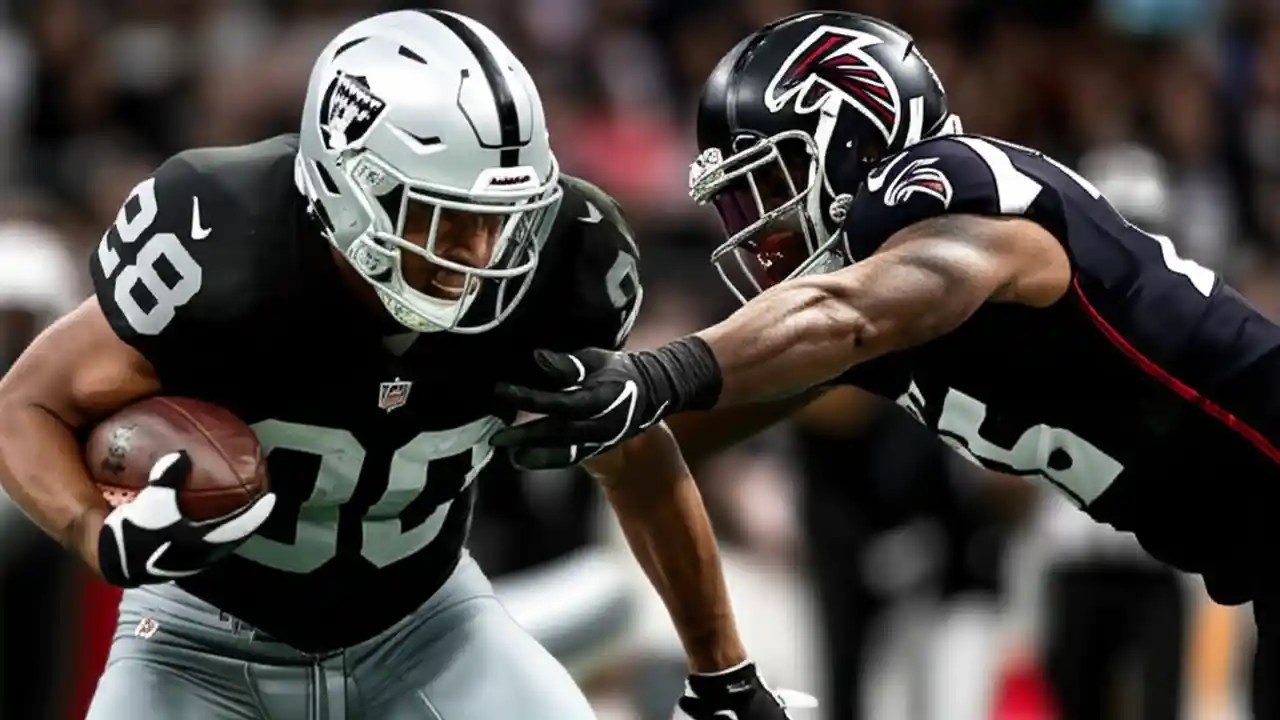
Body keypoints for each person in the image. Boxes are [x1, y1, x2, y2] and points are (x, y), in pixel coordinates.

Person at [0, 10, 801, 720]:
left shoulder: (568, 261)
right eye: (444, 219)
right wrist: (99, 534)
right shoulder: (223, 239)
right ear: (349, 190)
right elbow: (23, 405)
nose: (481, 257)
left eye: (501, 221)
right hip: (195, 638)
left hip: (427, 627)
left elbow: (634, 455)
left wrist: (724, 673)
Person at [491, 10, 1280, 717]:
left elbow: (853, 314)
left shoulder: (947, 196)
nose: (757, 234)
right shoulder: (869, 309)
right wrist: (579, 413)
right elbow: (679, 428)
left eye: (768, 184)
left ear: (850, 140)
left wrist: (656, 376)